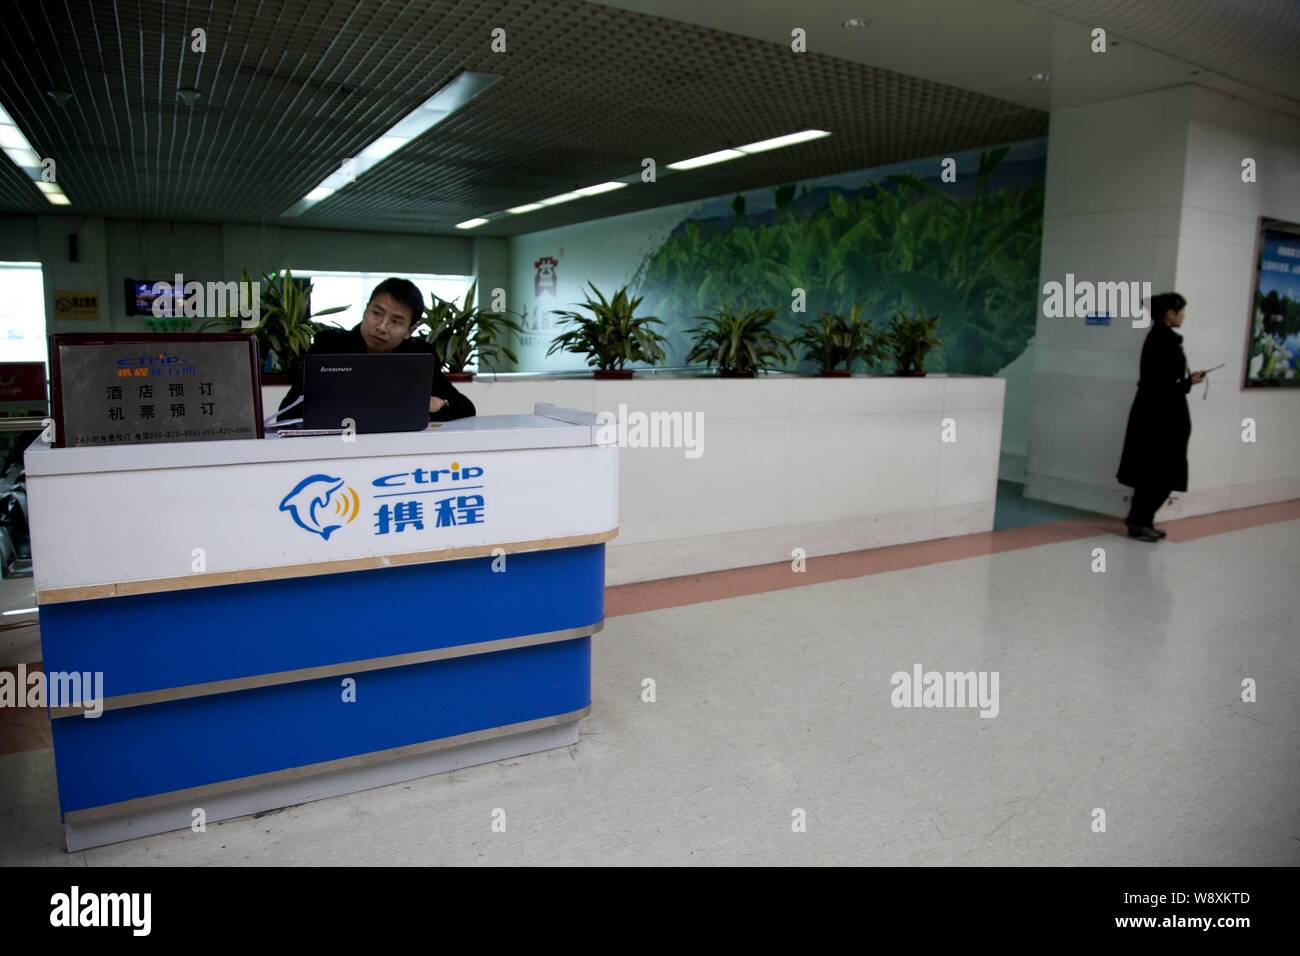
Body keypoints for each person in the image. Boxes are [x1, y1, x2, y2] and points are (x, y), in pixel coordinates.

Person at [278, 277, 475, 422]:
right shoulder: (329, 347)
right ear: (366, 311)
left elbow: (466, 407)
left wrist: (440, 405)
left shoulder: (418, 356)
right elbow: (287, 413)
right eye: (376, 313)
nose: (381, 327)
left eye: (396, 322)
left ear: (410, 331)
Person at [1116, 292, 1206, 542]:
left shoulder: (1161, 338)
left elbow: (1163, 381)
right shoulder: (1162, 340)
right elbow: (1161, 384)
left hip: (1157, 412)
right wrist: (1188, 382)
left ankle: (1141, 520)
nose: (1183, 316)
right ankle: (1139, 520)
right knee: (1159, 471)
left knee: (1155, 470)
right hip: (1159, 416)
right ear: (1169, 313)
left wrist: (1187, 381)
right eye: (1181, 312)